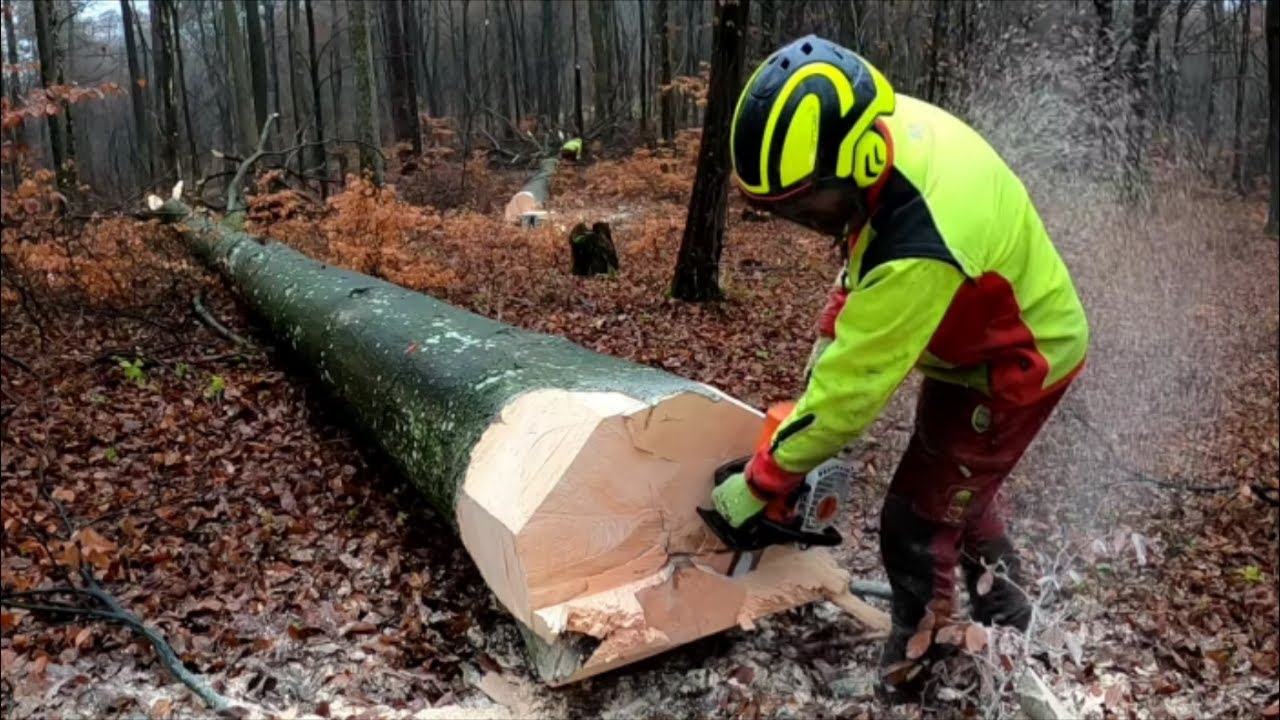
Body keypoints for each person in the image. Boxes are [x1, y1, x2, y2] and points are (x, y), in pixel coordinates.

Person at [709, 35, 1090, 700]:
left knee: (915, 520)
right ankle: (1014, 623)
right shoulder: (880, 138)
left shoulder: (919, 243)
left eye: (811, 206)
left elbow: (852, 397)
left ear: (856, 160)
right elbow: (860, 262)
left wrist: (764, 477)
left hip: (1018, 360)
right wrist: (823, 357)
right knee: (956, 497)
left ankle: (916, 675)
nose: (808, 223)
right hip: (970, 342)